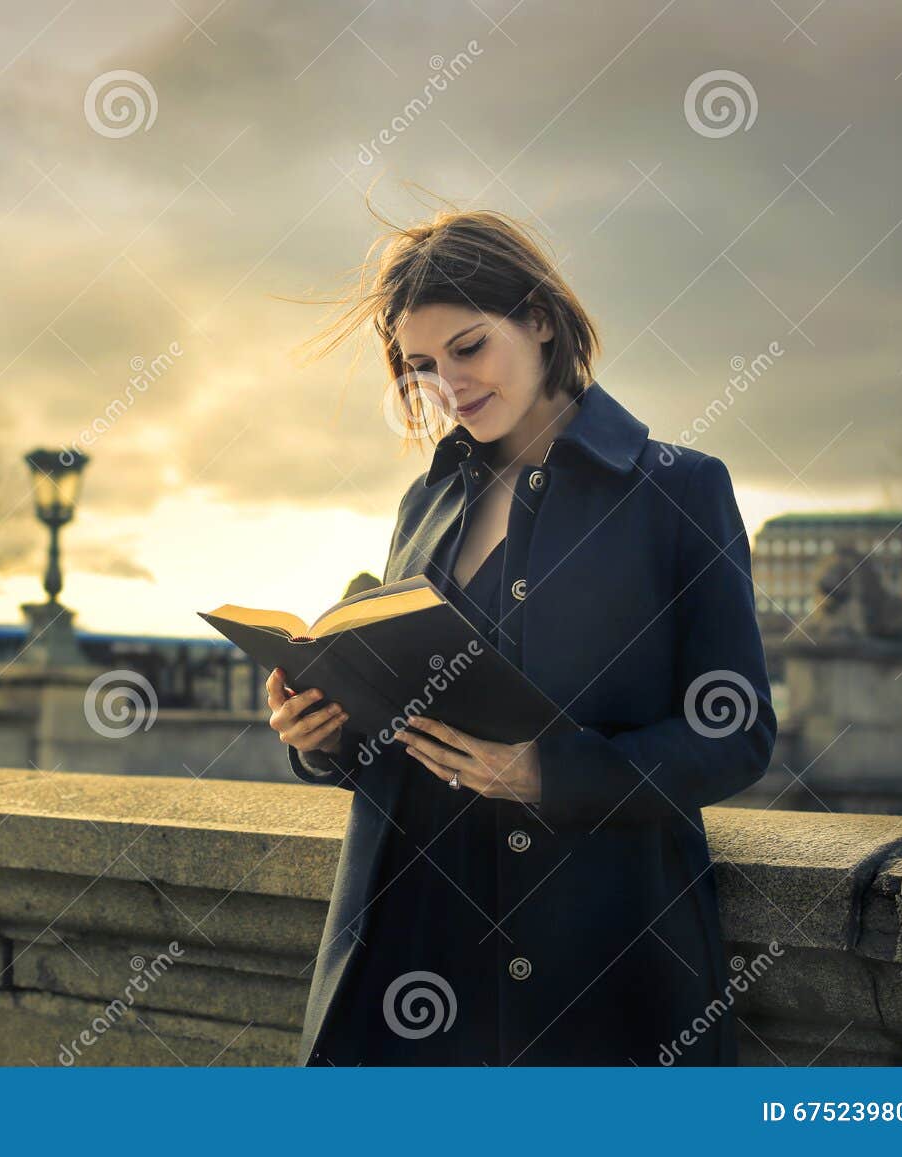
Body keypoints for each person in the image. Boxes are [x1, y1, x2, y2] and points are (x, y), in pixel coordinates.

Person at [264, 206, 776, 1066]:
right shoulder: (422, 504)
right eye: (420, 366)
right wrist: (323, 735)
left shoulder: (679, 491)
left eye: (468, 348)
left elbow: (738, 734)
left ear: (540, 319)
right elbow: (404, 731)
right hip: (411, 961)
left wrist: (548, 773)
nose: (447, 386)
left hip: (603, 965)